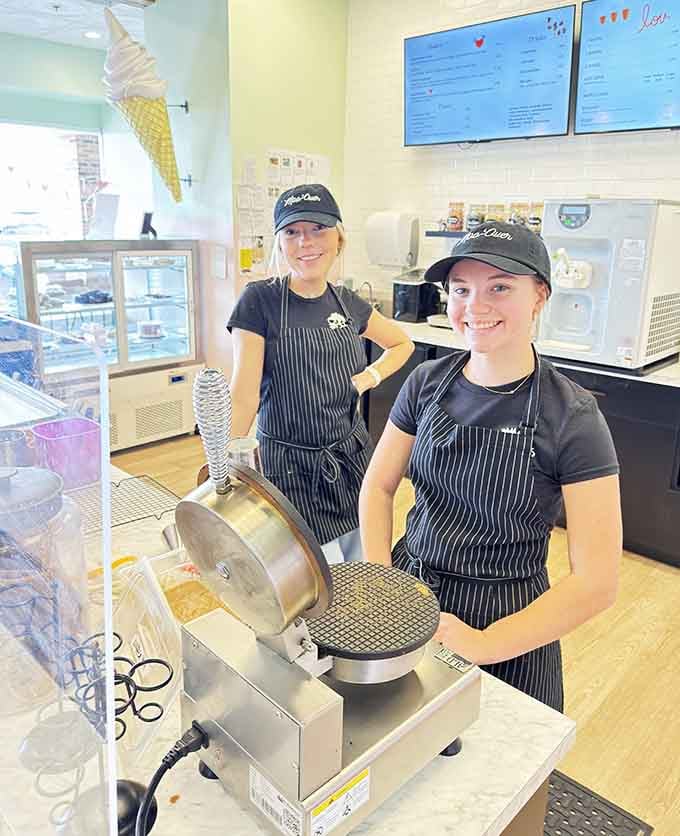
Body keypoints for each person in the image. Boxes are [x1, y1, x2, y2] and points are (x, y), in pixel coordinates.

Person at [359, 221, 622, 711]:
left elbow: (598, 581)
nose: (475, 307)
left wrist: (484, 644)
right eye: (461, 290)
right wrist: (384, 579)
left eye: (499, 288)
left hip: (507, 621)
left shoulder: (573, 417)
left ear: (539, 296)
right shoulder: (426, 382)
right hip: (409, 593)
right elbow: (378, 486)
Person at [228, 183, 414, 563]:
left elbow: (401, 344)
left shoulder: (348, 304)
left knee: (362, 568)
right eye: (292, 232)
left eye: (318, 229)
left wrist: (370, 377)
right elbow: (244, 396)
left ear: (338, 238)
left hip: (352, 462)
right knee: (309, 577)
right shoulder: (259, 301)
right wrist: (223, 468)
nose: (306, 242)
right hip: (289, 470)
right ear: (280, 242)